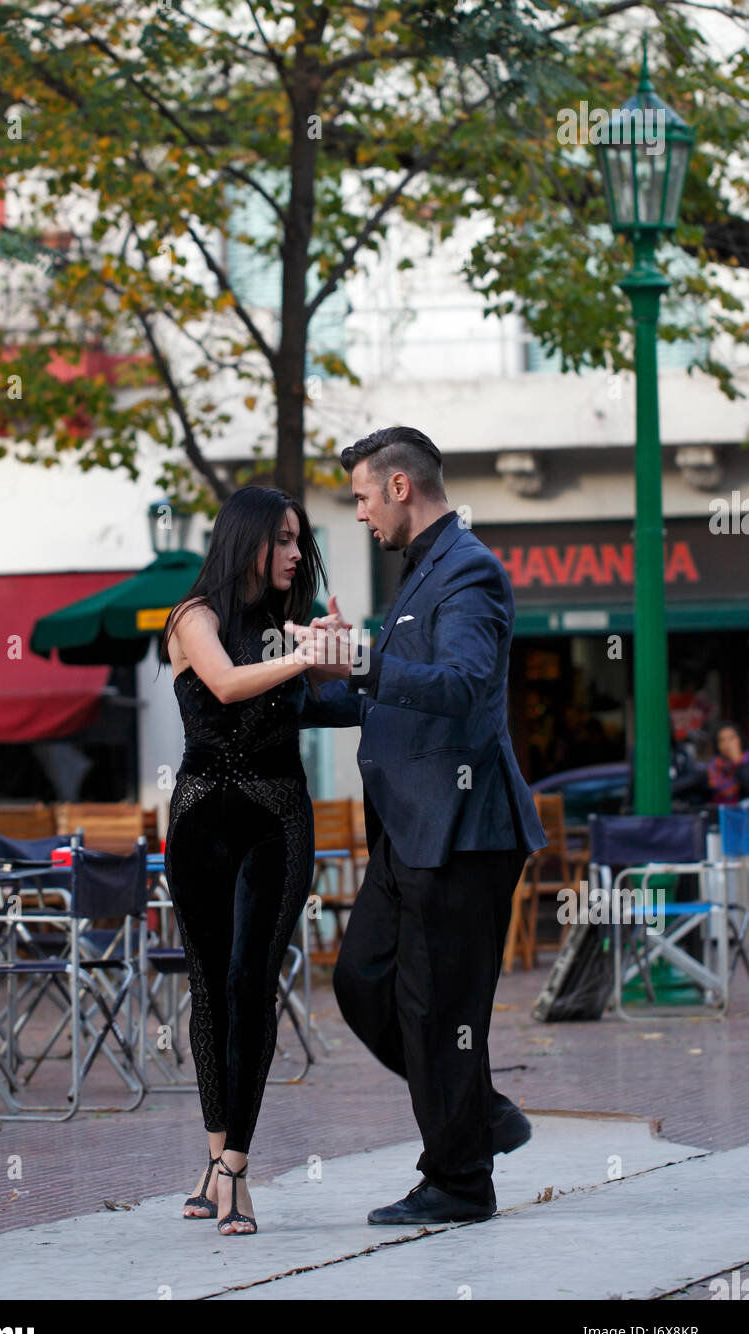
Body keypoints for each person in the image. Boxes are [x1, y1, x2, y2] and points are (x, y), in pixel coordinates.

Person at [290, 426, 547, 1225]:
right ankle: (481, 1117)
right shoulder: (419, 576)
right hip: (410, 831)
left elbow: (464, 685)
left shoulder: (467, 571)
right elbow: (386, 696)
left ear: (400, 487)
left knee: (439, 1009)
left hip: (463, 830)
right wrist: (288, 687)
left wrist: (358, 659)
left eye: (364, 496)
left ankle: (460, 1180)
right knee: (364, 985)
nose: (361, 513)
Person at [162, 486, 352, 1236]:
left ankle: (237, 1165)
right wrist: (303, 654)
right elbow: (225, 683)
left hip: (278, 821)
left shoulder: (286, 627)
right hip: (200, 823)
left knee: (250, 981)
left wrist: (334, 650)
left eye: (298, 541)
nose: (295, 554)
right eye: (283, 540)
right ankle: (215, 1156)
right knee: (208, 986)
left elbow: (338, 674)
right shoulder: (192, 618)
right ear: (247, 542)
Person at [707, 721, 749, 805]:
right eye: (722, 740)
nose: (727, 743)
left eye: (731, 738)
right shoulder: (715, 765)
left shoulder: (746, 761)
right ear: (717, 746)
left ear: (740, 739)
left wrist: (737, 761)